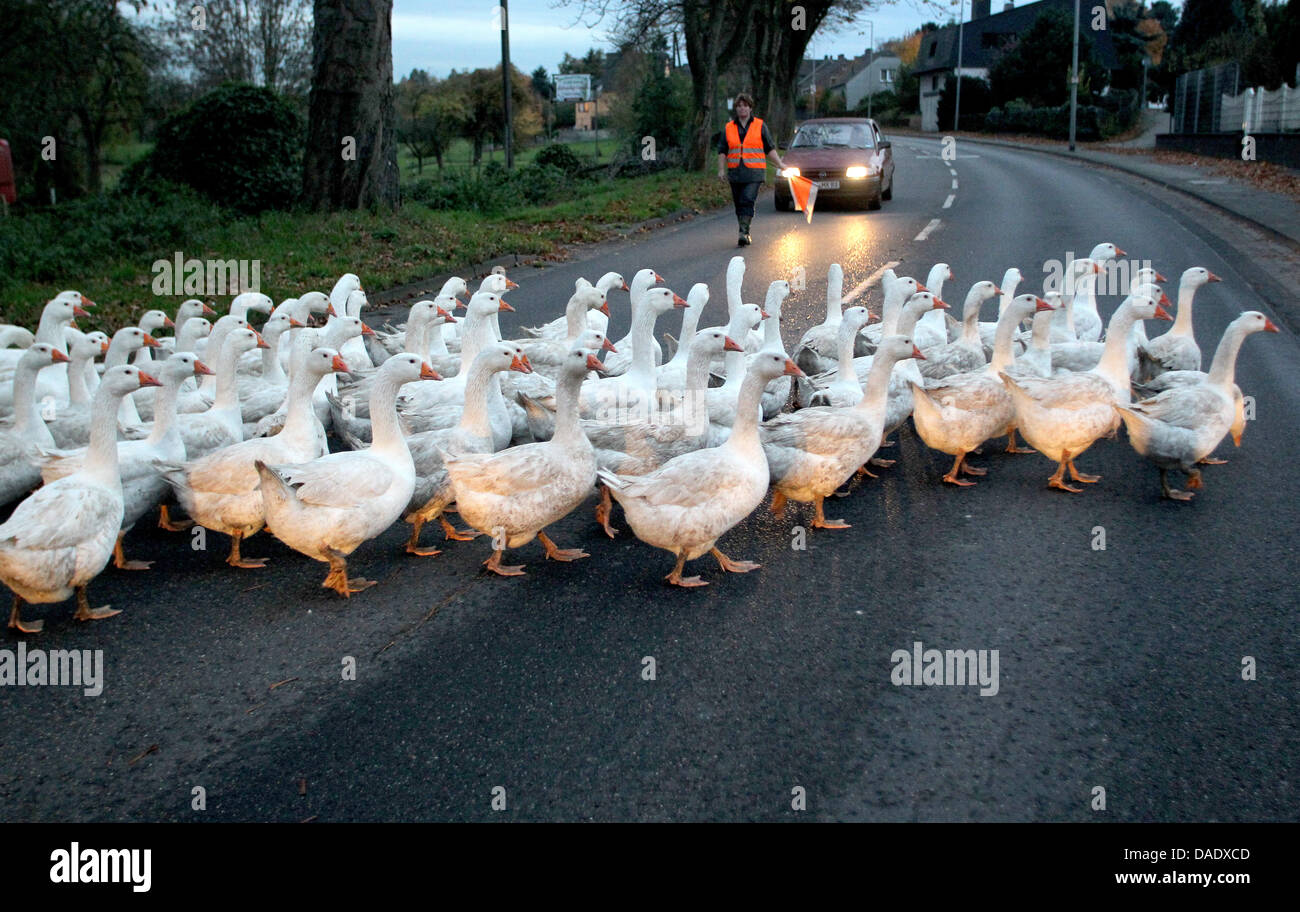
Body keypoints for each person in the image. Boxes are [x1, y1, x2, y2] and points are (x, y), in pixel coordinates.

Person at [716, 93, 786, 247]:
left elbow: (769, 148)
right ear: (736, 109)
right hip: (735, 172)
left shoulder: (760, 125)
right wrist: (721, 170)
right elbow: (722, 150)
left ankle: (743, 231)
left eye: (745, 105)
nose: (742, 108)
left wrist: (780, 164)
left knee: (748, 199)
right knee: (739, 203)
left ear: (750, 108)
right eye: (739, 106)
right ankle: (744, 229)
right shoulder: (729, 128)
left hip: (754, 172)